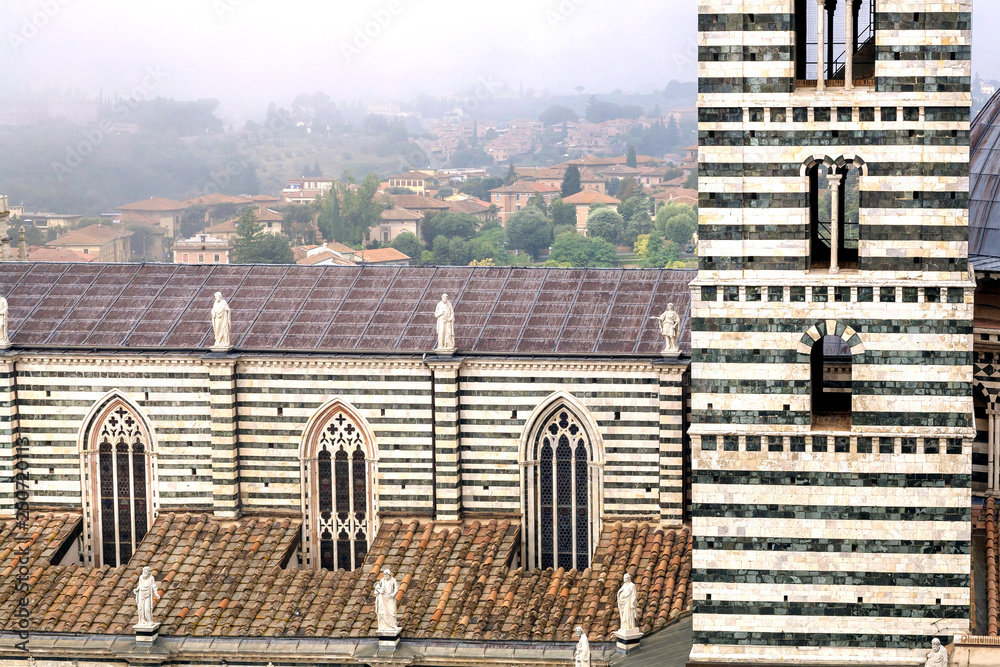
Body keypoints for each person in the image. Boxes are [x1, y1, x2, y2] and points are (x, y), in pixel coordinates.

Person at [374, 567, 399, 632]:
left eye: (386, 575)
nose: (385, 576)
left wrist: (393, 594)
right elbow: (377, 588)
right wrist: (380, 591)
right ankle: (384, 625)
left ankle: (392, 625)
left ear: (389, 575)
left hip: (391, 598)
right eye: (384, 575)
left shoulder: (393, 580)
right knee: (384, 612)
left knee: (392, 612)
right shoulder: (382, 580)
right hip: (384, 598)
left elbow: (396, 588)